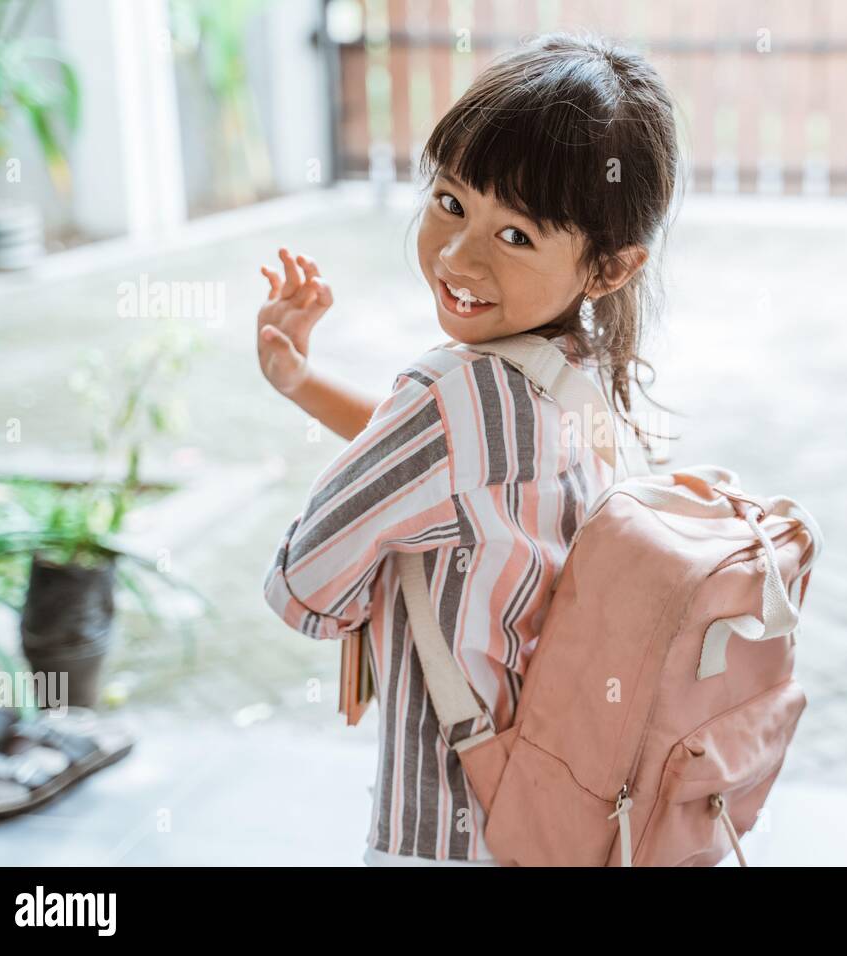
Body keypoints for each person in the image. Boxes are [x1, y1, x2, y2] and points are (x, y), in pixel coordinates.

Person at [256, 31, 682, 865]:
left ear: (609, 267)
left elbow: (303, 590)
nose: (457, 254)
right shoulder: (581, 377)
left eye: (515, 235)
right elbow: (461, 473)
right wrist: (302, 381)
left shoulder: (448, 398)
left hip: (445, 822)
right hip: (557, 803)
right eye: (451, 200)